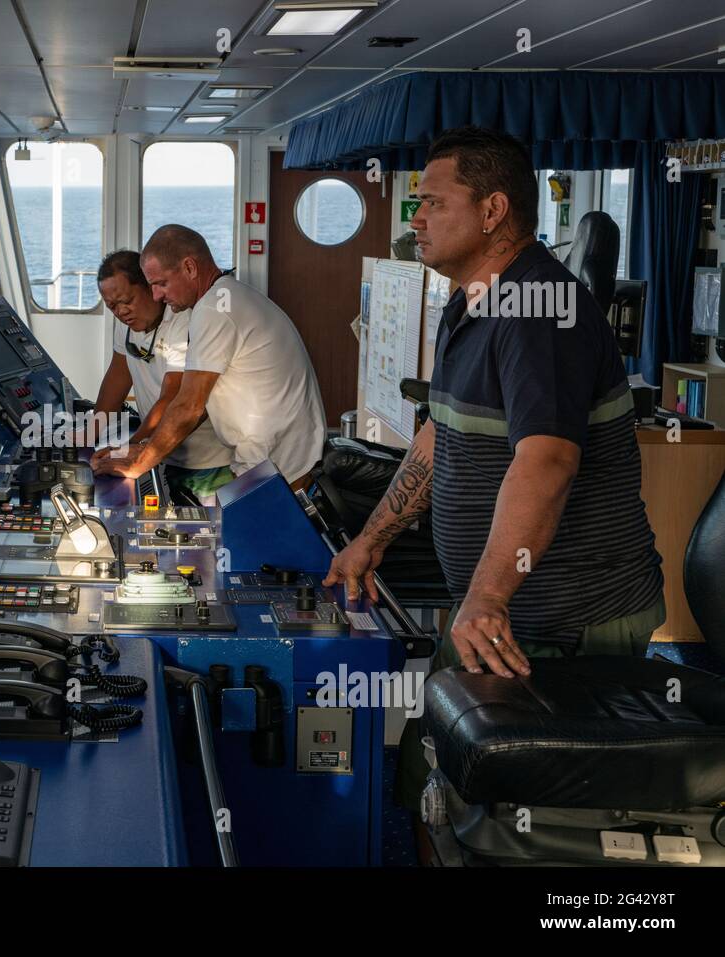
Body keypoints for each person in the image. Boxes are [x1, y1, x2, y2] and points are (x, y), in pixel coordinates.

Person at [321, 127, 664, 852]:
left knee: (520, 823)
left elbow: (546, 462)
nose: (415, 217)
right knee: (433, 776)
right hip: (501, 615)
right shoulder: (469, 304)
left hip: (561, 622)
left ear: (492, 210)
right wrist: (371, 539)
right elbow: (438, 438)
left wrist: (487, 596)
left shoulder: (540, 312)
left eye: (432, 202)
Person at [94, 224, 326, 489]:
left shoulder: (214, 309)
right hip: (274, 458)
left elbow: (189, 405)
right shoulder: (226, 296)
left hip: (279, 465)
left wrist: (138, 461)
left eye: (161, 284)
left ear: (190, 268)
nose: (157, 294)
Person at [87, 250, 234, 503]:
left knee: (210, 534)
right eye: (112, 306)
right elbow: (117, 377)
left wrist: (131, 448)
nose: (121, 311)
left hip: (207, 460)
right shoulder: (124, 324)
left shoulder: (184, 320)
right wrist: (88, 437)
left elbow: (172, 395)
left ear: (149, 286)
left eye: (127, 300)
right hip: (160, 452)